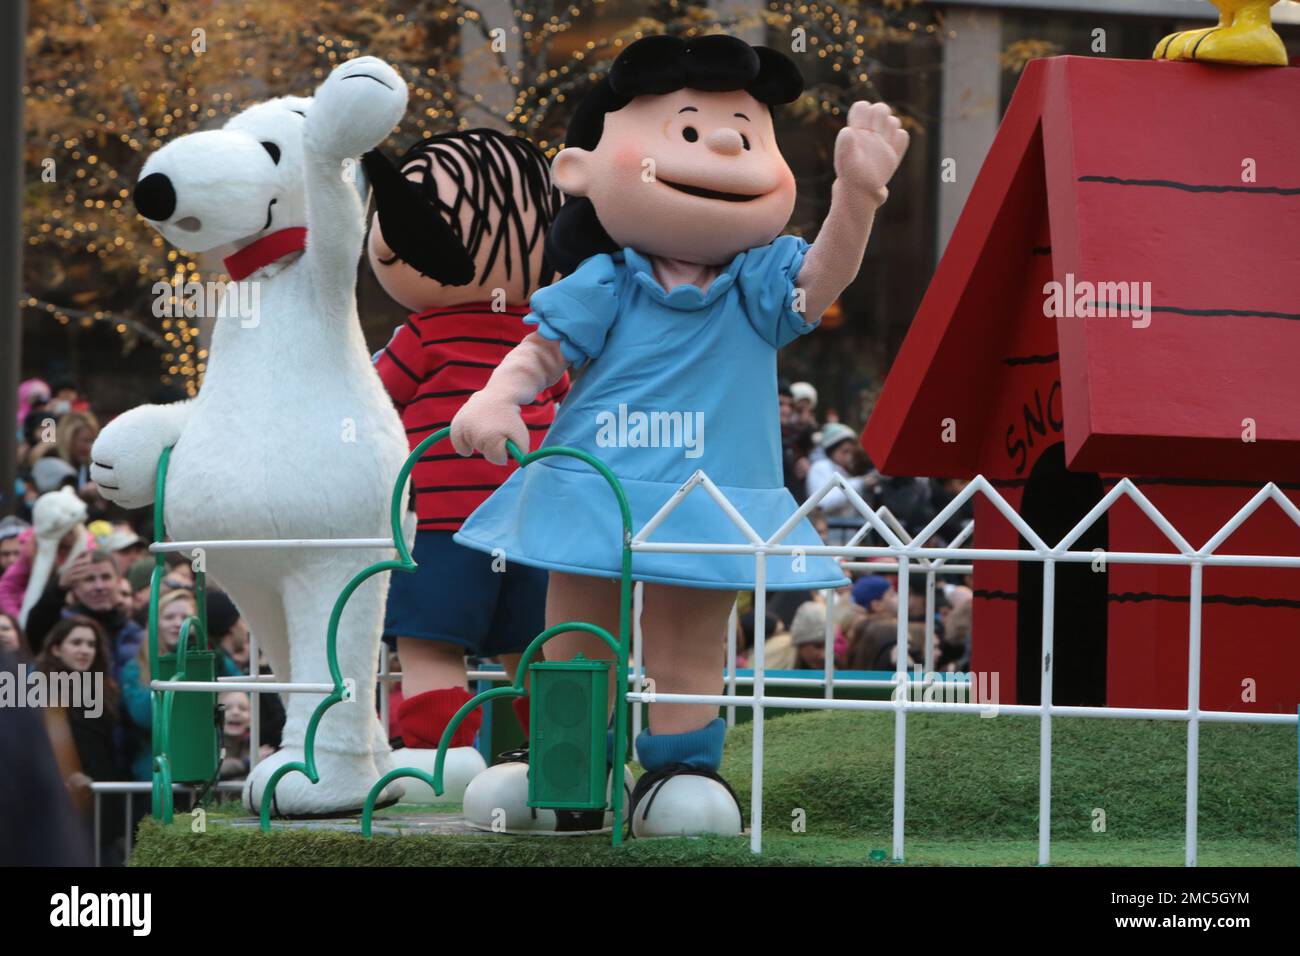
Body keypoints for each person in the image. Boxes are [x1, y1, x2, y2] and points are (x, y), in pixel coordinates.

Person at [450, 33, 907, 836]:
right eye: (689, 130)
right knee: (574, 637)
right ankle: (568, 767)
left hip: (712, 495)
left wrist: (855, 204)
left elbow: (819, 280)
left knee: (690, 644)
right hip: (595, 486)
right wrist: (498, 398)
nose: (728, 144)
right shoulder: (608, 280)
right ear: (581, 170)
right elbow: (543, 350)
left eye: (747, 131)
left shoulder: (757, 282)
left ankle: (681, 774)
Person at [366, 127, 566, 787]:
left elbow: (371, 404)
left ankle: (438, 756)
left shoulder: (421, 335)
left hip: (447, 526)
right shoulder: (544, 338)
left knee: (428, 642)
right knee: (530, 649)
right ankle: (563, 753)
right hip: (533, 524)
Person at [35, 615, 125, 861]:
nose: (85, 650)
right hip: (62, 803)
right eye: (76, 642)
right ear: (56, 648)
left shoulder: (106, 689)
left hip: (103, 802)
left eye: (91, 644)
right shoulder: (40, 690)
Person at [25, 549, 145, 685]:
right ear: (74, 586)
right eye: (89, 579)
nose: (99, 586)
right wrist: (57, 589)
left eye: (106, 577)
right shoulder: (60, 626)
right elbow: (34, 633)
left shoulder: (136, 633)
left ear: (118, 582)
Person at [119, 589, 196, 781]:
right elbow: (143, 716)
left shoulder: (210, 662)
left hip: (196, 769)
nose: (178, 623)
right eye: (169, 617)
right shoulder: (135, 668)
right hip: (153, 774)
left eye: (185, 617)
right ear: (155, 623)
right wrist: (171, 668)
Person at [805, 422, 875, 522]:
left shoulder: (846, 471)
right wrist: (861, 483)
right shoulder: (820, 467)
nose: (849, 457)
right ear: (831, 450)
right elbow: (822, 503)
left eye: (851, 452)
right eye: (844, 451)